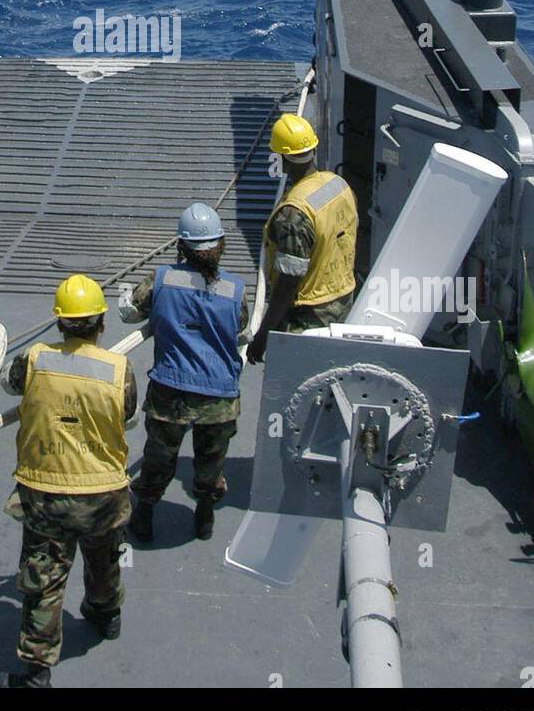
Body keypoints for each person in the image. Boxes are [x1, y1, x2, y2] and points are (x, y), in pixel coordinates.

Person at [0, 274, 137, 689]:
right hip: (102, 494)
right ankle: (106, 615)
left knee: (43, 580)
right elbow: (128, 412)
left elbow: (8, 384)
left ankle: (36, 672)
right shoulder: (119, 369)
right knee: (104, 559)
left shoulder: (34, 359)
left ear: (59, 322)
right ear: (101, 323)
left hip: (46, 494)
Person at [120, 203, 249, 543]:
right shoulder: (235, 290)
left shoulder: (162, 279)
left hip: (170, 392)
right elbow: (241, 327)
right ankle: (204, 515)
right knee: (210, 461)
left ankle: (144, 514)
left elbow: (130, 311)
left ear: (181, 245)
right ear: (221, 244)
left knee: (159, 458)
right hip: (219, 396)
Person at [248, 115, 357, 364]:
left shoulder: (293, 214)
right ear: (313, 149)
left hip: (309, 315)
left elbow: (289, 281)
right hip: (343, 300)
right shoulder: (338, 184)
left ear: (282, 158)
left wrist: (264, 335)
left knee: (297, 380)